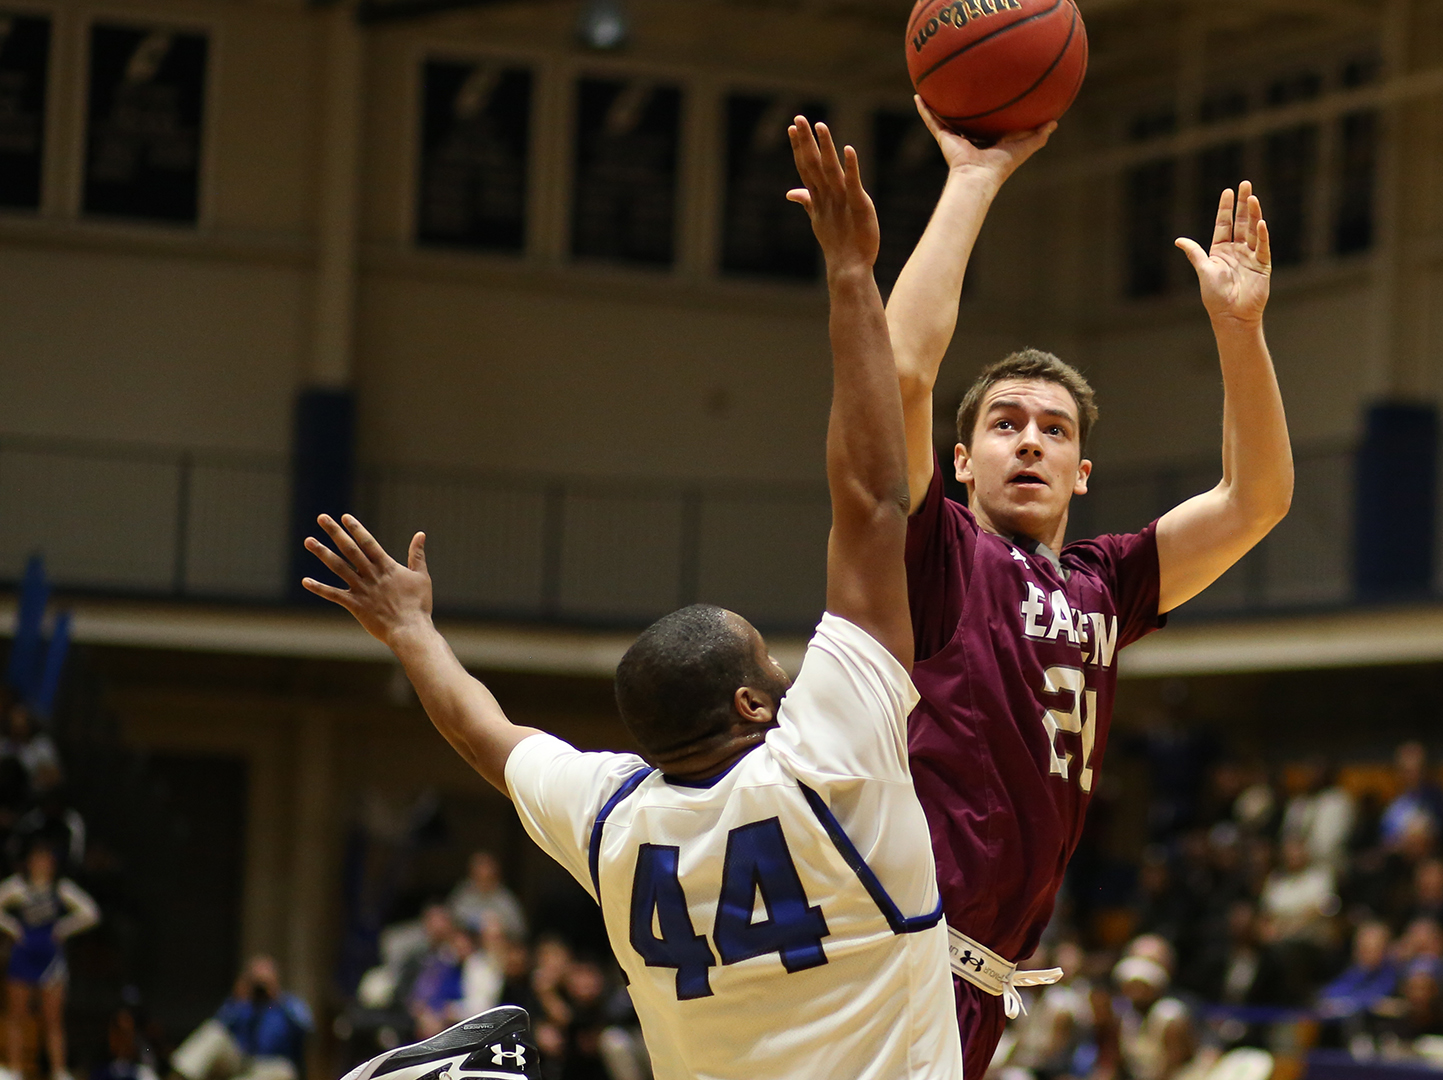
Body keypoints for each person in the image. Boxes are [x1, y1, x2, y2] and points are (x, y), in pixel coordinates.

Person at [308, 116, 960, 1080]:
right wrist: (852, 273)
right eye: (769, 662)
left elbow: (482, 733)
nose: (789, 668)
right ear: (750, 703)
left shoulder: (615, 818)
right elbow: (873, 496)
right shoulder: (832, 756)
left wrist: (410, 633)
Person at [882, 99, 1292, 1076]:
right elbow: (899, 366)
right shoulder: (940, 554)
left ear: (1083, 474)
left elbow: (1255, 501)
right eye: (1006, 424)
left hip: (984, 973)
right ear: (962, 461)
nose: (1030, 438)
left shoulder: (1105, 582)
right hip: (901, 959)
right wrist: (974, 181)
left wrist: (1240, 329)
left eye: (1055, 429)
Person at [0, 841, 98, 1080]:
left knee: (53, 1018)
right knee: (17, 1015)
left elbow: (91, 913)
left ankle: (58, 1070)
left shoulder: (61, 888)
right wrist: (13, 928)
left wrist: (63, 928)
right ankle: (14, 1069)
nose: (41, 864)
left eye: (46, 860)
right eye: (37, 859)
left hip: (50, 956)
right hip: (23, 953)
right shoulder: (17, 886)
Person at [171, 956, 313, 1080]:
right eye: (256, 980)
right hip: (240, 1060)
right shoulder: (242, 1003)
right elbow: (219, 1022)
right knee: (214, 1034)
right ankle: (178, 1075)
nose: (260, 986)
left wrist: (277, 998)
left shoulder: (288, 1003)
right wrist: (238, 999)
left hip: (269, 1064)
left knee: (284, 1071)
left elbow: (307, 1027)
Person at [449, 852, 526, 941]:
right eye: (479, 877)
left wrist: (496, 926)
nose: (483, 882)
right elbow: (451, 917)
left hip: (497, 947)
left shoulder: (505, 899)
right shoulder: (463, 893)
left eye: (488, 878)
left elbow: (519, 930)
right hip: (465, 943)